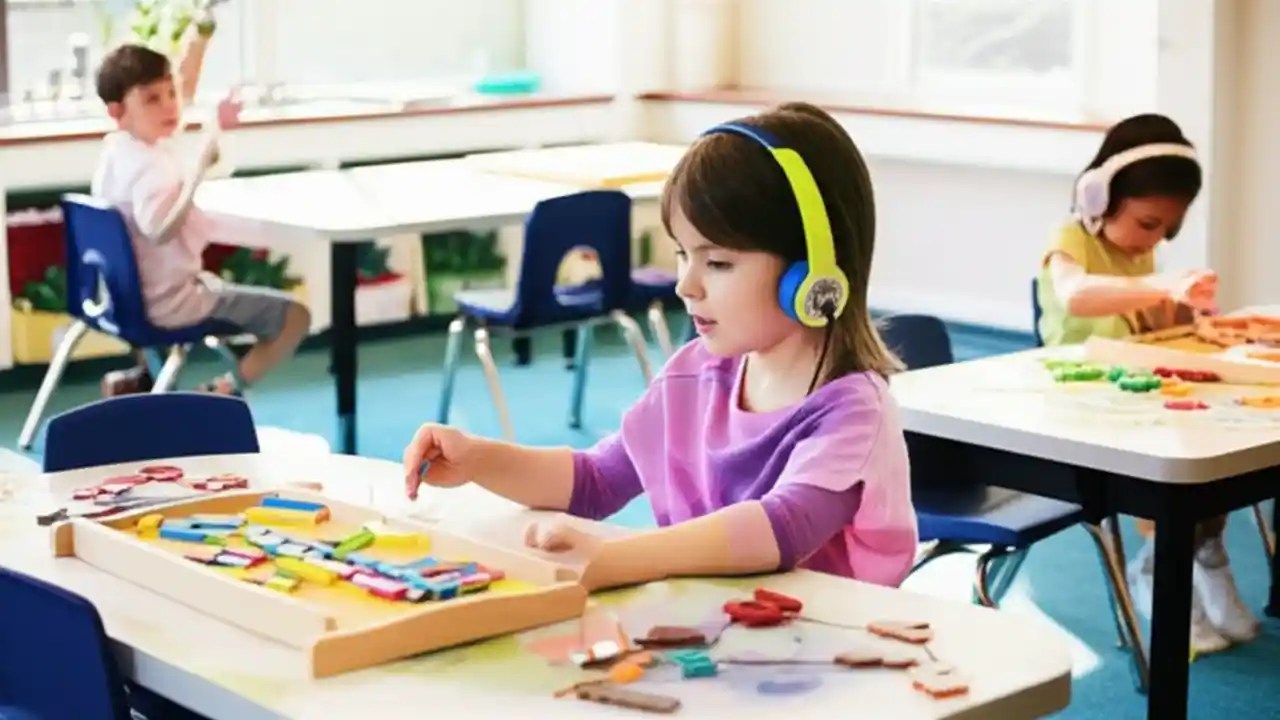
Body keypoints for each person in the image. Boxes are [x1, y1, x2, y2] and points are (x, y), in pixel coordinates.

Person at [402, 102, 917, 593]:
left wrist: (623, 557)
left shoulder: (852, 411)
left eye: (717, 263)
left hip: (829, 655)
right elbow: (596, 479)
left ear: (811, 277)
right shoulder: (696, 372)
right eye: (681, 255)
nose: (685, 285)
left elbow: (783, 528)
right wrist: (480, 459)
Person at [1037, 112, 1258, 652]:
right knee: (1177, 463)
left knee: (1218, 448)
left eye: (1167, 228)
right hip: (1082, 399)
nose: (1155, 238)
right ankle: (1158, 571)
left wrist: (1194, 317)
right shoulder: (1070, 241)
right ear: (1098, 198)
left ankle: (1207, 557)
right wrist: (1163, 285)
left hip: (1137, 386)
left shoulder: (1142, 251)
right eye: (1147, 223)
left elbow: (1152, 322)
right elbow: (1077, 294)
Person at [92, 35, 310, 396]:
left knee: (213, 283)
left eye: (171, 94)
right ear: (117, 112)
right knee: (296, 317)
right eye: (152, 99)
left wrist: (216, 131)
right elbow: (159, 229)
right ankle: (221, 390)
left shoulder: (117, 152)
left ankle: (143, 377)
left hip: (124, 300)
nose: (170, 106)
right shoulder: (151, 168)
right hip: (172, 305)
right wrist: (195, 176)